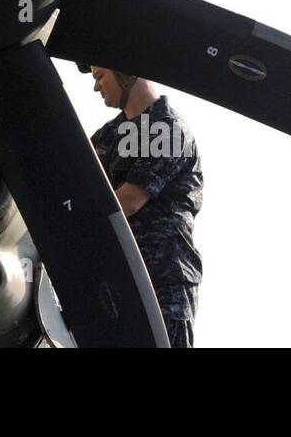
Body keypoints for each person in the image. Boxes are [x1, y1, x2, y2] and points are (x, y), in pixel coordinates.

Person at [80, 63, 203, 348]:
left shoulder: (165, 128)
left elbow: (128, 202)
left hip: (162, 287)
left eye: (100, 76)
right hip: (115, 287)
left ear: (125, 73)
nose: (96, 86)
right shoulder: (109, 136)